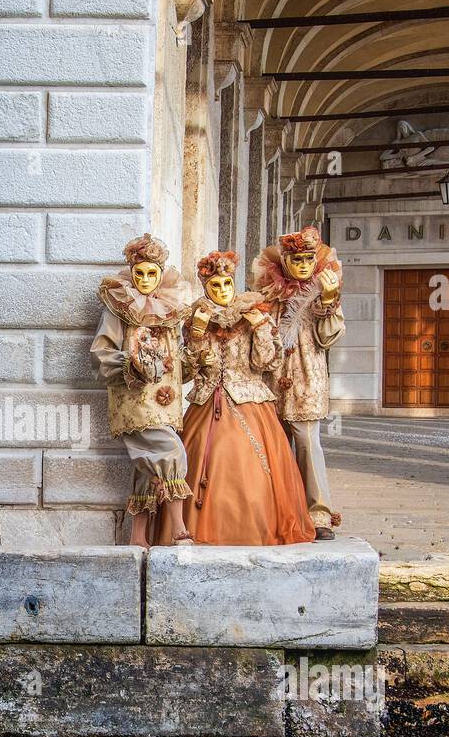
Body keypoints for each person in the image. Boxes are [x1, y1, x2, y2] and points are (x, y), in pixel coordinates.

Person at [165, 250, 315, 546]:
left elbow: (267, 363)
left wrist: (260, 327)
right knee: (206, 460)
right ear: (206, 288)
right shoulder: (197, 318)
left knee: (247, 468)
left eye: (227, 284)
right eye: (215, 286)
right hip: (207, 401)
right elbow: (185, 372)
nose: (222, 291)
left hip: (250, 402)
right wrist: (196, 335)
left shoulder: (252, 314)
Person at [91, 234, 194, 548]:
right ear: (131, 273)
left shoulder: (169, 310)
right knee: (170, 452)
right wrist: (131, 362)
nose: (146, 280)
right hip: (134, 401)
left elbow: (176, 363)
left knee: (146, 466)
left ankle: (138, 538)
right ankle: (178, 528)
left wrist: (192, 360)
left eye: (153, 273)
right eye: (140, 273)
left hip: (166, 403)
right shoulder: (119, 309)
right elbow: (100, 354)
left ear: (161, 274)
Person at [254, 226, 345, 540]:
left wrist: (329, 302)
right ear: (284, 261)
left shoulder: (323, 293)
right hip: (271, 377)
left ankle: (318, 515)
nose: (304, 265)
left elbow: (328, 336)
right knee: (274, 447)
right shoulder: (270, 293)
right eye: (297, 259)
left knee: (307, 444)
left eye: (309, 258)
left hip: (306, 377)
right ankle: (278, 512)